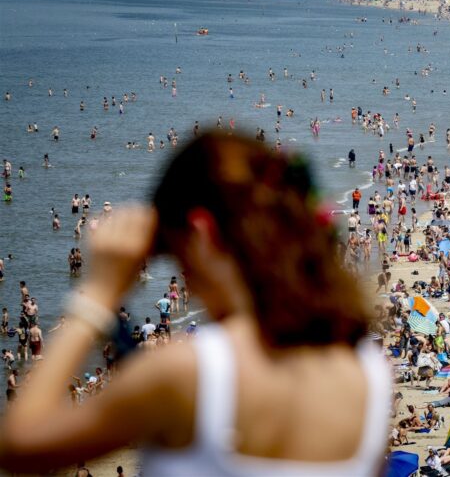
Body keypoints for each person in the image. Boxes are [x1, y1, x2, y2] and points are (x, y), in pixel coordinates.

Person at [0, 132, 389, 475]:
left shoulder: (191, 371)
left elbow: (18, 444)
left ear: (202, 234)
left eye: (176, 253)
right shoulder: (366, 370)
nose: (183, 273)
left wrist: (100, 290)